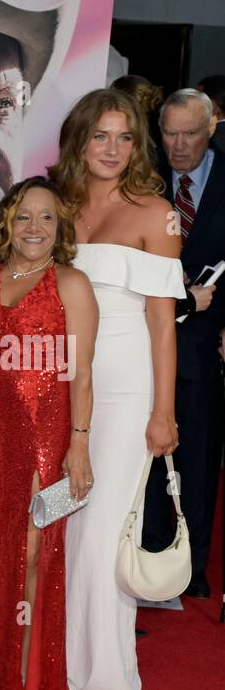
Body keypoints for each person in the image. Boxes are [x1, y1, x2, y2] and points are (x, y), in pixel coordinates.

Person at [47, 88, 183, 690]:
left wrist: (163, 411)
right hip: (57, 386)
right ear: (79, 139)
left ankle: (103, 672)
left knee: (101, 527)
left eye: (124, 137)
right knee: (59, 523)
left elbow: (162, 325)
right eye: (100, 135)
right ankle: (53, 660)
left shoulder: (157, 214)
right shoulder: (55, 209)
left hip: (127, 390)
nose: (112, 149)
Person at [0, 178, 97, 690]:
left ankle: (23, 676)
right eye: (24, 217)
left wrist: (77, 446)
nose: (34, 228)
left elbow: (81, 375)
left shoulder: (70, 283)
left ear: (60, 231)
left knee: (32, 549)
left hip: (45, 437)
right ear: (6, 222)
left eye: (47, 219)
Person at [142, 89, 224, 598]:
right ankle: (147, 555)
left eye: (189, 134)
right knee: (144, 457)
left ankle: (190, 566)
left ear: (211, 128)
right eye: (169, 133)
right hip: (144, 338)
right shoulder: (144, 179)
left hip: (204, 343)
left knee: (197, 458)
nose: (177, 145)